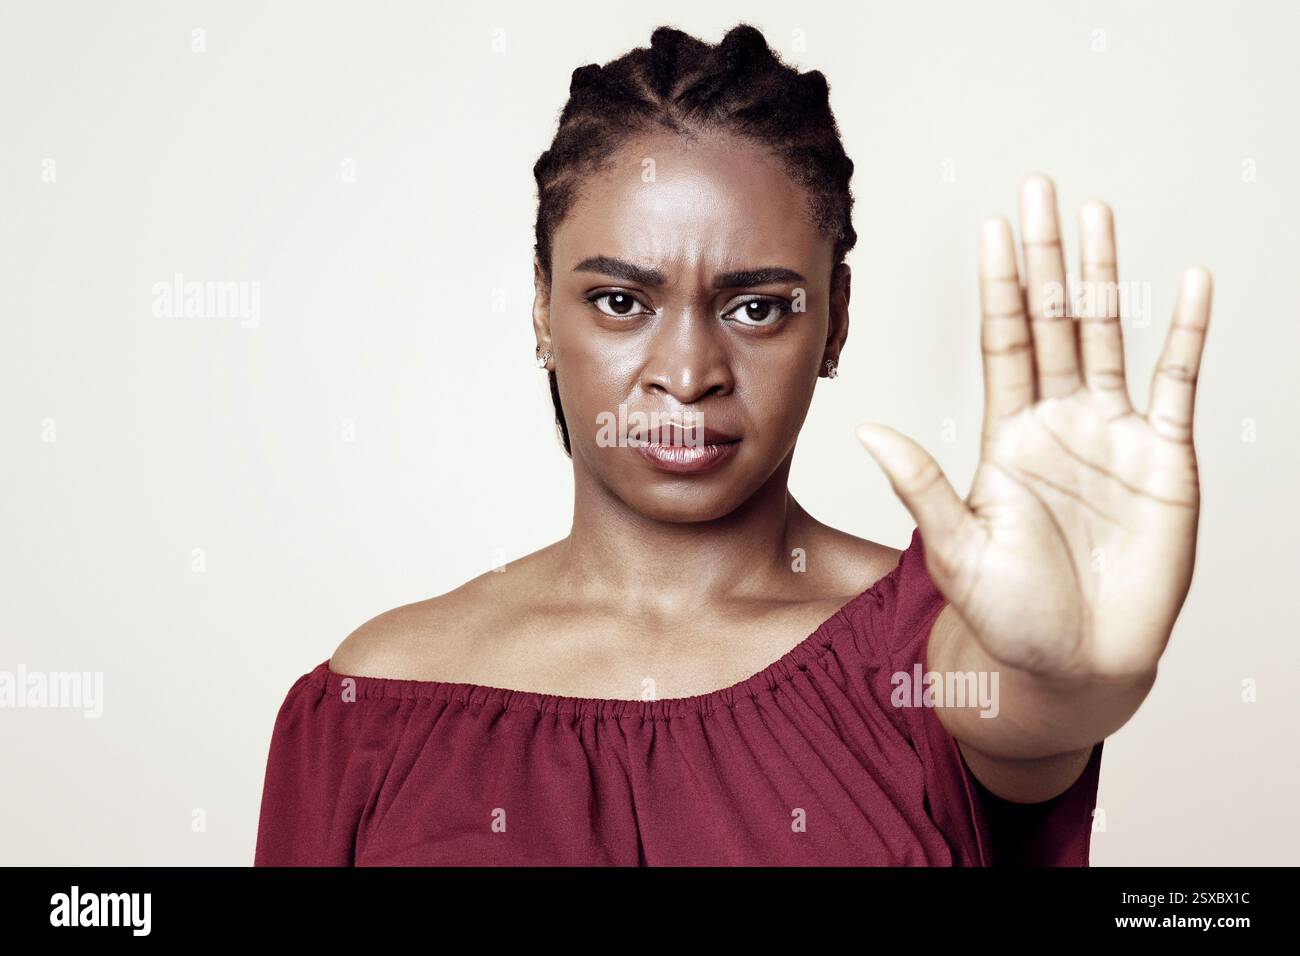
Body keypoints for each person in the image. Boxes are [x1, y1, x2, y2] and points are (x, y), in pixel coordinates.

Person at [254, 23, 1212, 866]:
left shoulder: (933, 640)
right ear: (542, 309)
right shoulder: (369, 706)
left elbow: (1019, 712)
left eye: (756, 307)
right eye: (620, 301)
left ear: (834, 325)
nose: (687, 370)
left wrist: (1063, 681)